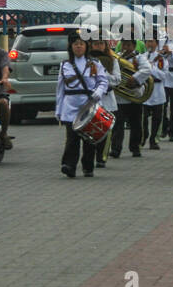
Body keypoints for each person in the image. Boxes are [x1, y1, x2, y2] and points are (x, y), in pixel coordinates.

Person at [54, 30, 110, 178]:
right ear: (70, 47)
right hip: (70, 105)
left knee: (88, 138)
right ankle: (69, 165)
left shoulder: (95, 63)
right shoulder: (64, 65)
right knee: (71, 138)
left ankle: (88, 166)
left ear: (86, 46)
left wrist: (99, 92)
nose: (78, 47)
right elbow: (60, 89)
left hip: (88, 104)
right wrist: (58, 109)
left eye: (81, 44)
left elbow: (103, 81)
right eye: (75, 44)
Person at [112, 36, 151, 158]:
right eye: (124, 45)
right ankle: (116, 149)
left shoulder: (139, 57)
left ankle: (135, 148)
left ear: (134, 46)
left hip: (134, 95)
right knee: (117, 125)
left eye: (129, 45)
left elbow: (147, 70)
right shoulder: (116, 57)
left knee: (136, 124)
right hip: (120, 97)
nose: (126, 48)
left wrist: (135, 78)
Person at [88, 37, 120, 165]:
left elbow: (117, 79)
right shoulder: (87, 60)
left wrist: (101, 75)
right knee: (91, 129)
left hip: (107, 98)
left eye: (101, 43)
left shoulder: (112, 60)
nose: (99, 46)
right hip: (92, 99)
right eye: (96, 44)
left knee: (106, 131)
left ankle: (101, 157)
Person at [140, 33, 168, 150]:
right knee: (143, 119)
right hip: (144, 91)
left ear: (156, 44)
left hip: (157, 91)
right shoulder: (141, 57)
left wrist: (151, 68)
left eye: (152, 41)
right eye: (148, 41)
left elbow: (163, 75)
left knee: (157, 119)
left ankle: (154, 140)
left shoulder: (161, 59)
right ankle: (143, 137)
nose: (150, 44)